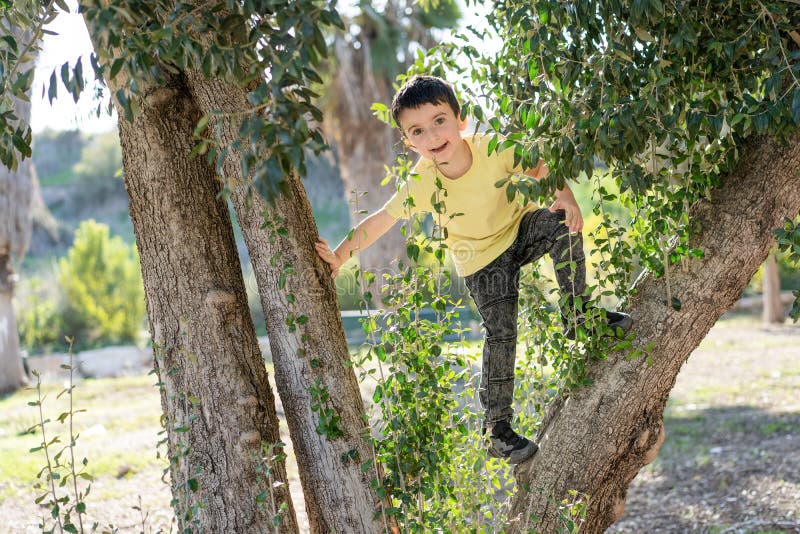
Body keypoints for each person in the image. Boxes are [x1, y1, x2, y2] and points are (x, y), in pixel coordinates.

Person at [315, 75, 632, 464]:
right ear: (409, 142)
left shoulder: (492, 147)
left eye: (439, 121)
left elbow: (538, 167)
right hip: (482, 264)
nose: (432, 135)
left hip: (520, 231)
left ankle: (578, 314)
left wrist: (566, 198)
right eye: (418, 130)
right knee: (501, 333)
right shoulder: (421, 180)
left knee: (560, 223)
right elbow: (381, 220)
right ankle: (498, 430)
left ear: (459, 120)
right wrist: (340, 254)